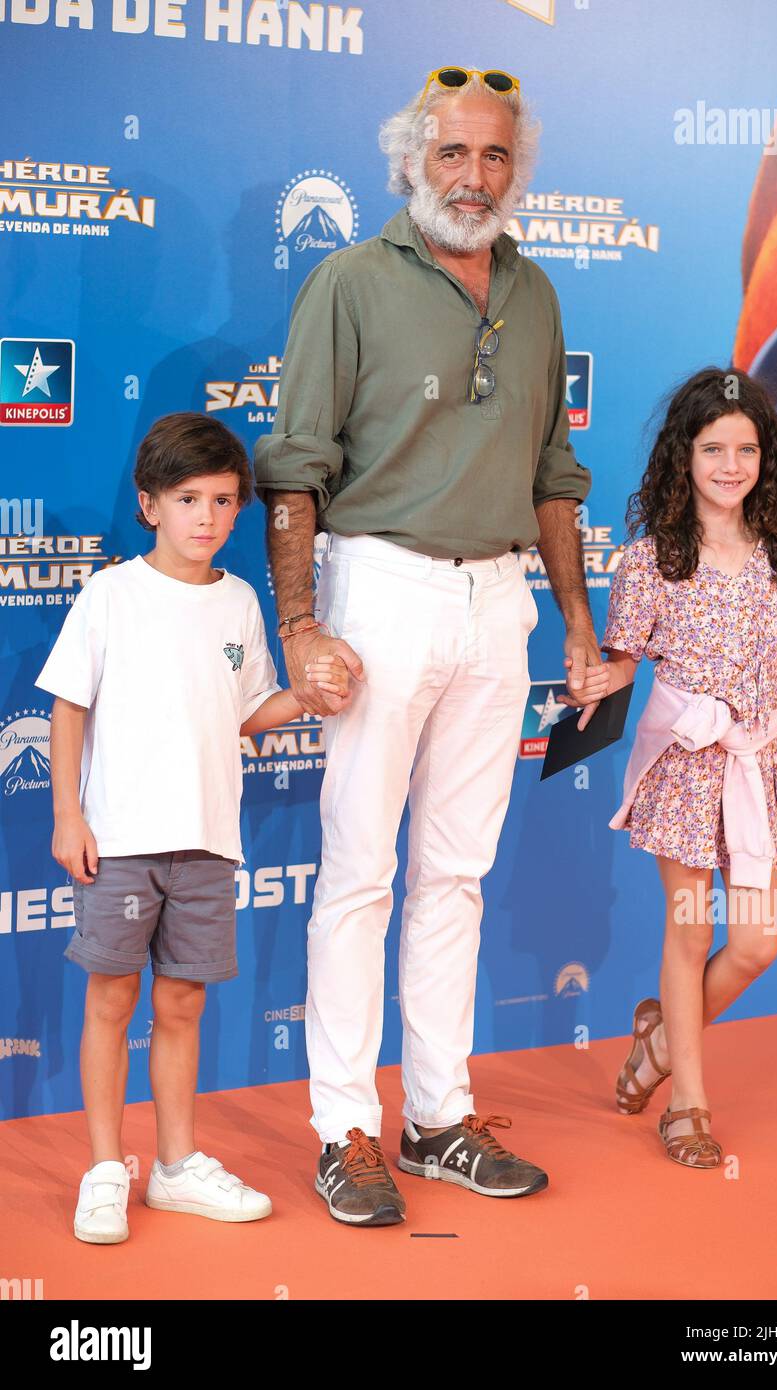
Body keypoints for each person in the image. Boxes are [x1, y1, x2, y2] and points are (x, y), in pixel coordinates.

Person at [254, 67, 595, 1225]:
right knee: (357, 872)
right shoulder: (348, 280)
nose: (473, 176)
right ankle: (343, 1127)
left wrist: (580, 622)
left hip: (500, 602)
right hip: (378, 588)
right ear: (410, 160)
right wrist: (299, 623)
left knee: (454, 874)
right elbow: (296, 465)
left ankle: (436, 1117)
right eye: (452, 153)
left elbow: (555, 475)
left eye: (494, 156)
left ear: (517, 169)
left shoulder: (538, 293)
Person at [36, 412, 348, 1243]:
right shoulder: (111, 594)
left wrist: (308, 695)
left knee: (180, 1007)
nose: (206, 518)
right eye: (186, 499)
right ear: (149, 506)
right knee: (111, 1002)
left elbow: (251, 714)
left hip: (210, 843)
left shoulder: (241, 602)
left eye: (221, 501)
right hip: (123, 841)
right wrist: (68, 813)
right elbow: (68, 706)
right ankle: (107, 1170)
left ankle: (176, 1167)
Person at [569, 368, 777, 1168]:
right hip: (683, 771)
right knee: (690, 936)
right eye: (713, 447)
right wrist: (592, 676)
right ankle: (687, 1103)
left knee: (756, 945)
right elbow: (623, 665)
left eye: (746, 449)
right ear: (682, 456)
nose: (730, 464)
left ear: (764, 458)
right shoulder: (652, 560)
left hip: (756, 774)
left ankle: (653, 1052)